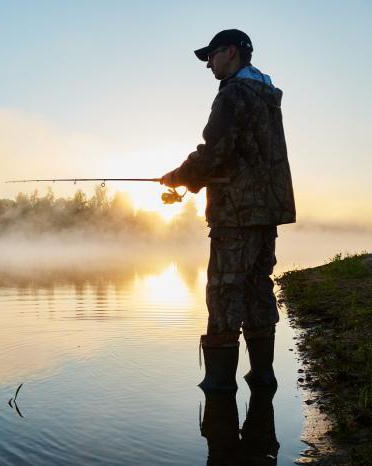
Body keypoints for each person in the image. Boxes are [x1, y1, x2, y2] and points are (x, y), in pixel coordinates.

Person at [161, 30, 296, 391]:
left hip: (236, 211)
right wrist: (193, 179)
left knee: (223, 290)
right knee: (257, 287)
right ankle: (263, 376)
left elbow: (215, 151)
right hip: (266, 209)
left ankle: (219, 386)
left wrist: (178, 176)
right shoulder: (266, 95)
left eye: (212, 55)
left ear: (231, 52)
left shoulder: (234, 93)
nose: (208, 63)